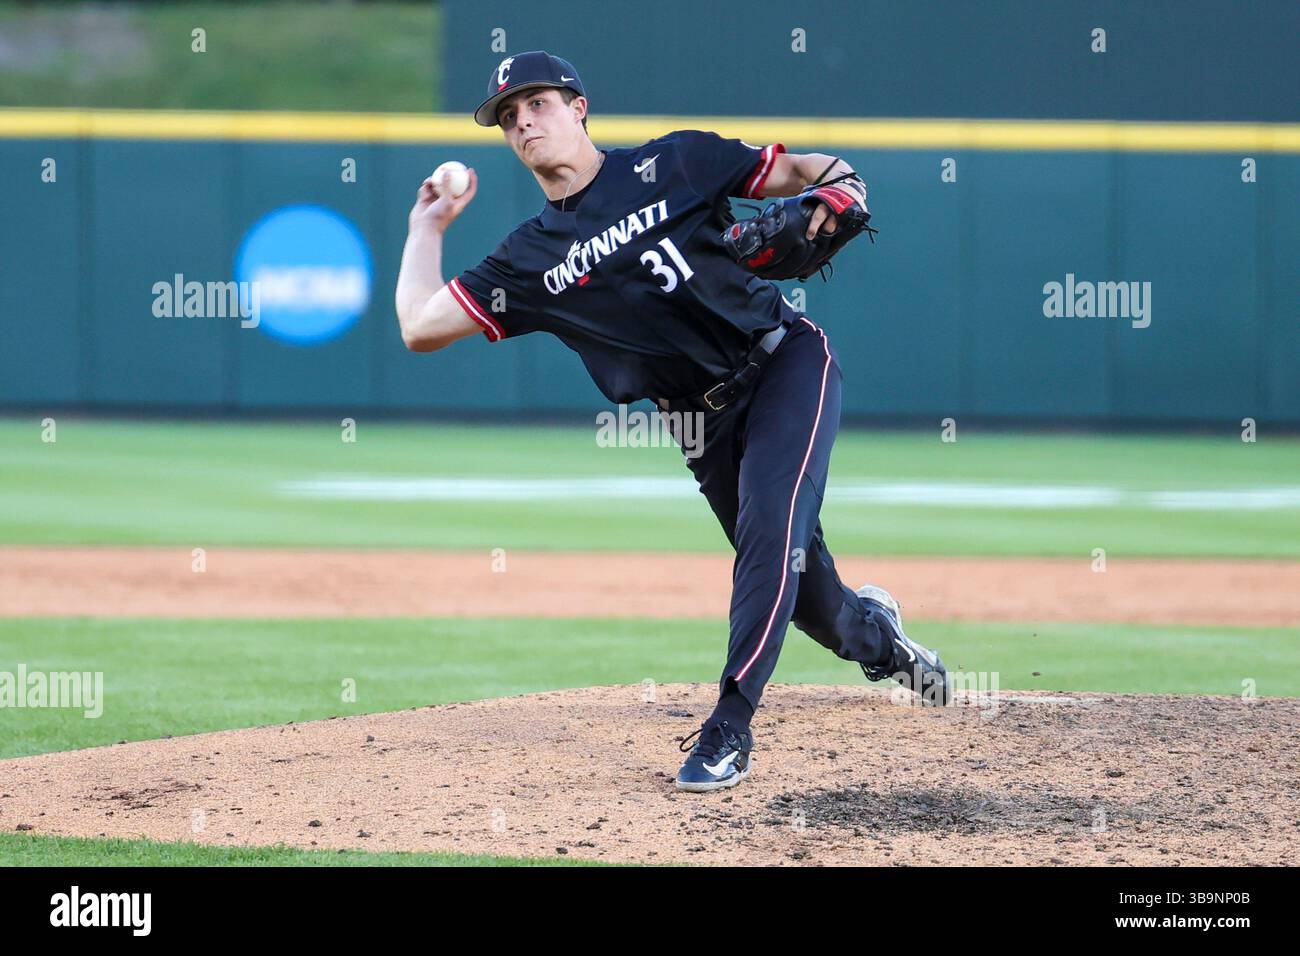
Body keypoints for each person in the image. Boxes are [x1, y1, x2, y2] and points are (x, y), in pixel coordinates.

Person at [395, 51, 952, 794]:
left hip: (785, 364)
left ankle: (729, 726)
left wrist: (843, 186)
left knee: (768, 531)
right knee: (817, 608)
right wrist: (424, 226)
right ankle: (881, 640)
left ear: (578, 105)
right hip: (699, 426)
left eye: (537, 103)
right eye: (508, 115)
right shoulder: (528, 260)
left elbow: (812, 171)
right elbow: (418, 327)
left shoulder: (678, 161)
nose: (524, 121)